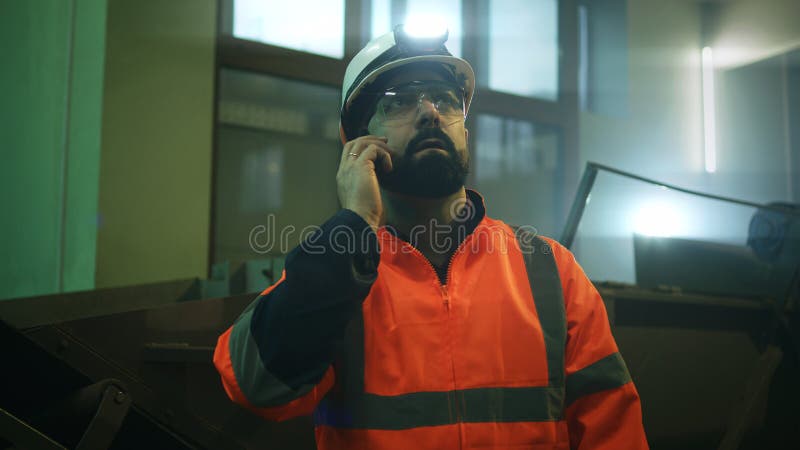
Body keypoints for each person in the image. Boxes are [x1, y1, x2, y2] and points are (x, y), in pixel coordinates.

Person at [213, 25, 648, 450]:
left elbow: (615, 430)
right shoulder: (338, 271)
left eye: (445, 98)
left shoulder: (551, 272)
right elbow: (256, 385)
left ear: (465, 130)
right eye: (400, 101)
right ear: (357, 143)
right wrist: (356, 220)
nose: (430, 112)